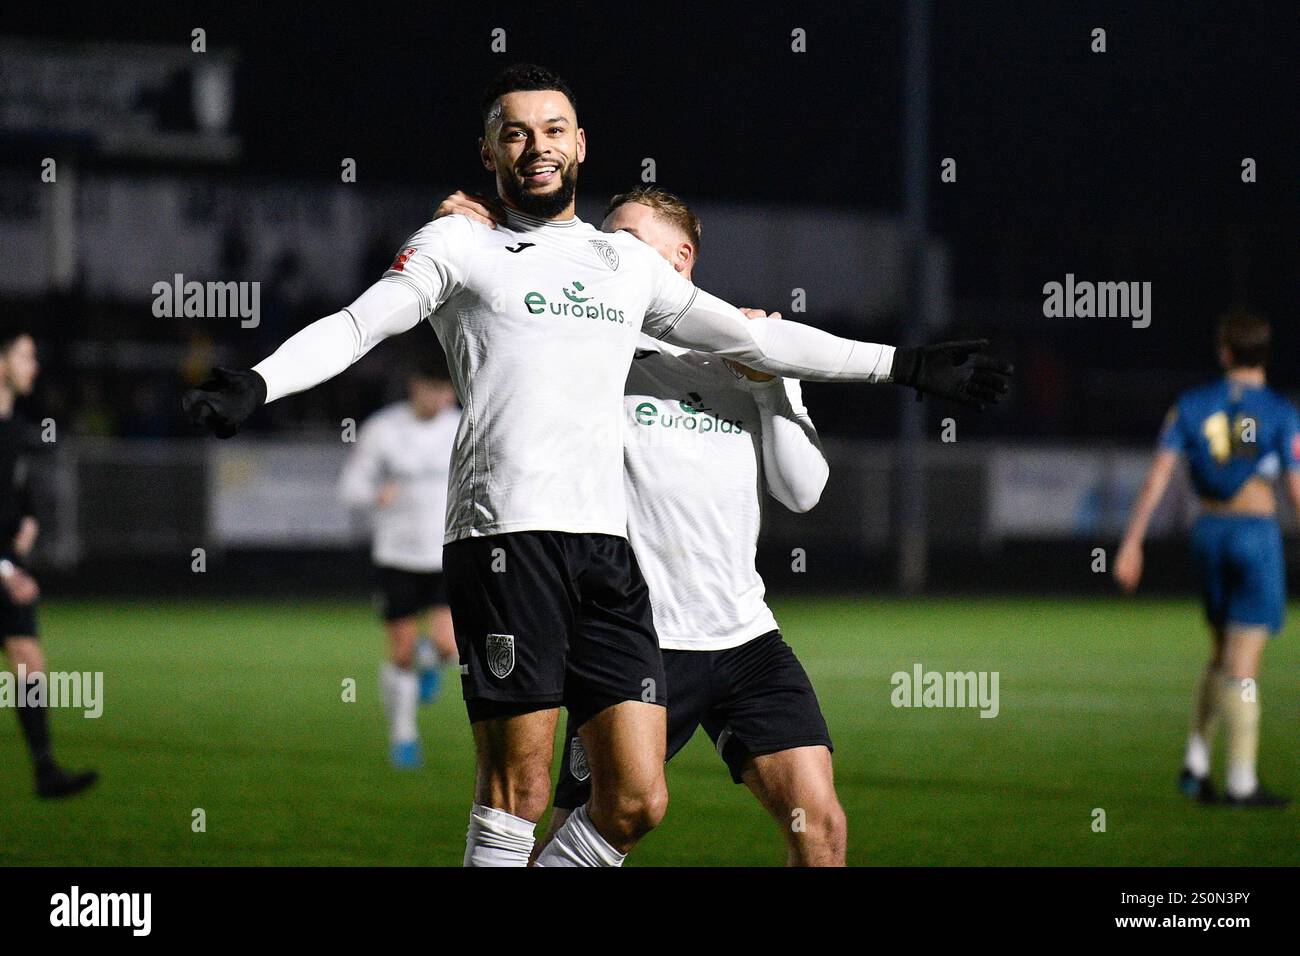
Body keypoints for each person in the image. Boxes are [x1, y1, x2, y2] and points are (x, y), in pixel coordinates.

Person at [183, 63, 1012, 867]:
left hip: (605, 555)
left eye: (551, 130)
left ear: (580, 142)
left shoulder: (622, 265)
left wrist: (905, 366)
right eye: (515, 134)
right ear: (490, 152)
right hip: (508, 536)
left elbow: (755, 338)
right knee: (518, 791)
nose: (535, 146)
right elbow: (362, 324)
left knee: (637, 802)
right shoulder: (461, 243)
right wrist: (262, 380)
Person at [439, 184, 848, 863]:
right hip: (636, 644)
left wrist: (772, 377)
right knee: (594, 824)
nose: (610, 256)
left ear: (681, 258)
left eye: (627, 242)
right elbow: (501, 332)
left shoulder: (737, 358)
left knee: (821, 828)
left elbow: (803, 492)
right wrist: (472, 245)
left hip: (746, 637)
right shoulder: (590, 354)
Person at [1115, 309, 1296, 808]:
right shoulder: (1280, 411)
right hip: (1255, 535)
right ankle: (1241, 782)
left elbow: (1157, 478)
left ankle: (1196, 763)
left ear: (1225, 352)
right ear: (1264, 353)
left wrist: (1132, 543)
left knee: (1220, 654)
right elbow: (1297, 489)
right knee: (1244, 662)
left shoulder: (1191, 406)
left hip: (1208, 533)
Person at [339, 355, 460, 768]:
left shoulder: (461, 426)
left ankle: (433, 658)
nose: (440, 398)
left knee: (449, 645)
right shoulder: (383, 429)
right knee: (401, 651)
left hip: (447, 552)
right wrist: (375, 495)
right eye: (433, 388)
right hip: (396, 556)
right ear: (415, 387)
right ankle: (404, 736)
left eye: (447, 390)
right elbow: (350, 486)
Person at [0, 327, 98, 799]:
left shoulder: (14, 430)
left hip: (5, 568)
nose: (33, 366)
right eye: (24, 356)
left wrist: (30, 519)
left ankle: (44, 770)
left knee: (28, 660)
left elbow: (13, 490)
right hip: (3, 571)